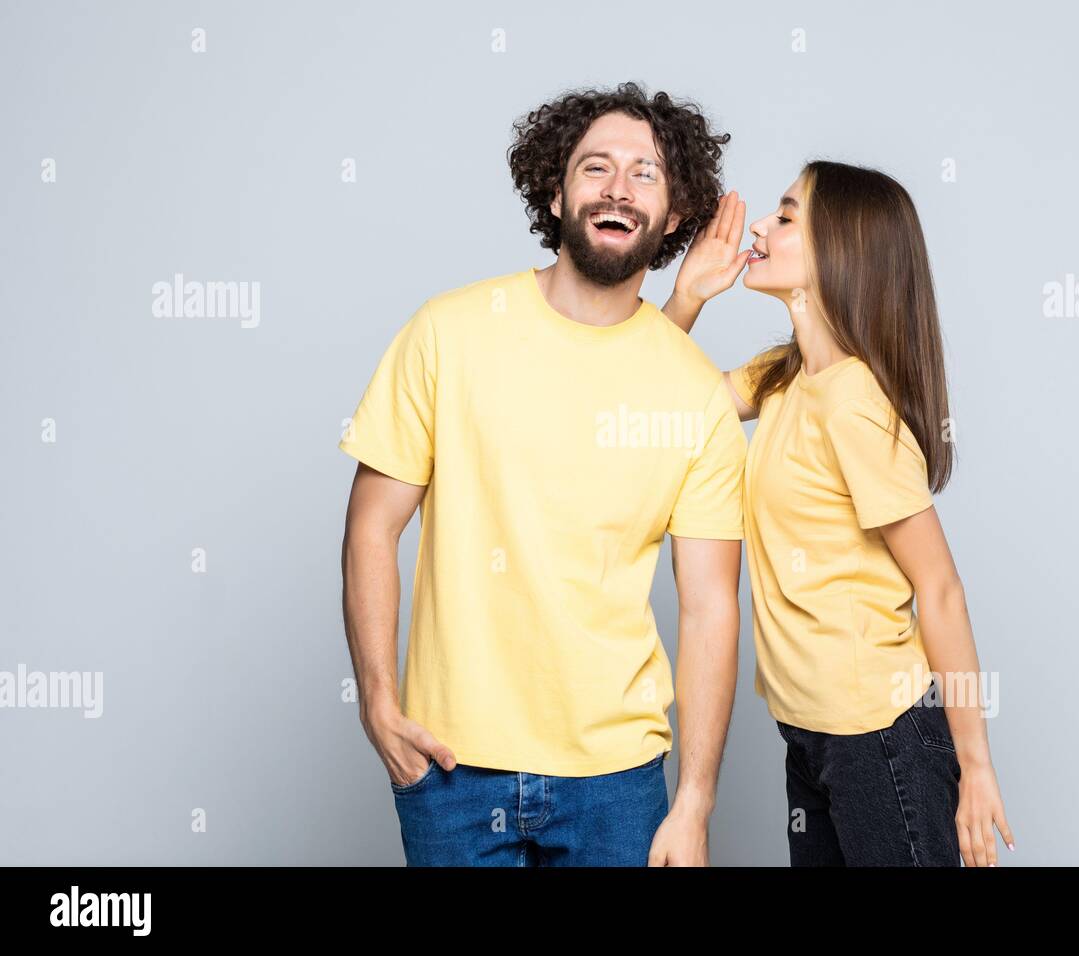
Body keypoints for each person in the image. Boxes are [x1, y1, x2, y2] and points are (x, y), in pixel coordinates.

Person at [338, 83, 746, 866]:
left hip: (618, 782)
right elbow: (370, 526)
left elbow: (708, 612)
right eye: (596, 168)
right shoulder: (447, 333)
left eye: (645, 174)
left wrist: (695, 802)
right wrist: (378, 704)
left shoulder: (695, 393)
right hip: (449, 766)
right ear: (555, 191)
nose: (619, 188)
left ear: (675, 213)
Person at [662, 164, 1015, 867]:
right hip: (809, 734)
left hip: (880, 737)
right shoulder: (785, 377)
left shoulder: (855, 402)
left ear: (842, 253)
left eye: (786, 217)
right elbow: (659, 398)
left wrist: (975, 768)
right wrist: (688, 295)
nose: (759, 226)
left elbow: (940, 590)